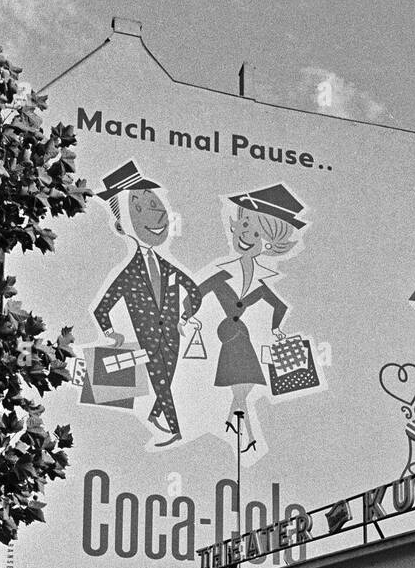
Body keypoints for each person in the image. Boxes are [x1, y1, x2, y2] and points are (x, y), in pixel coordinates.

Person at [93, 159, 202, 448]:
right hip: (148, 340)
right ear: (121, 226)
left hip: (173, 336)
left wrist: (187, 316)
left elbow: (194, 290)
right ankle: (174, 429)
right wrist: (111, 333)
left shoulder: (167, 267)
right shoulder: (128, 275)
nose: (154, 212)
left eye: (153, 202)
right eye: (138, 208)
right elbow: (101, 308)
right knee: (163, 384)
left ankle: (156, 415)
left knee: (166, 380)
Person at [194, 183, 307, 451]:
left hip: (242, 337)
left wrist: (277, 329)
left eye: (256, 232)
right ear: (235, 225)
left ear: (268, 244)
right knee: (242, 389)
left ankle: (234, 425)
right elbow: (197, 292)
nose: (247, 235)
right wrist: (188, 316)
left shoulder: (262, 280)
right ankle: (247, 433)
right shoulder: (225, 274)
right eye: (244, 224)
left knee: (243, 389)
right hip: (229, 336)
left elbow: (280, 306)